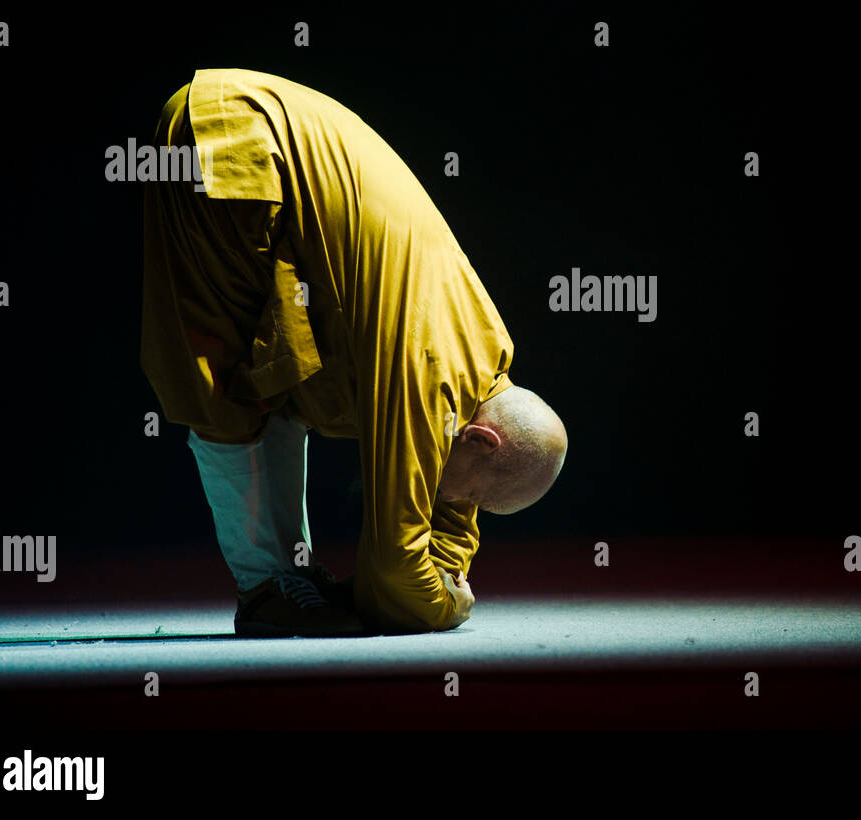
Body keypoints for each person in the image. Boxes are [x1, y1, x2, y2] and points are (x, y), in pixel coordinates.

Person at [140, 69, 568, 637]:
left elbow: (449, 496)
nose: (463, 506)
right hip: (233, 142)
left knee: (282, 372)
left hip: (262, 141)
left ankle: (287, 574)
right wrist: (448, 602)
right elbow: (394, 569)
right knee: (222, 382)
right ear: (482, 438)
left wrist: (446, 563)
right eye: (477, 499)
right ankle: (265, 587)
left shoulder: (484, 362)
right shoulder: (430, 376)